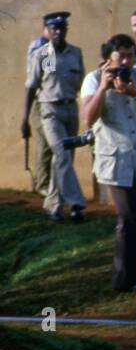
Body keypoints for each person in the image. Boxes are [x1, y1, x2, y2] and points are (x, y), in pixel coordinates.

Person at [80, 34, 136, 291]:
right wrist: (103, 89)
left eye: (130, 55)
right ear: (108, 59)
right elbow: (87, 117)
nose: (126, 62)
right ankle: (123, 279)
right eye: (121, 56)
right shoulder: (93, 80)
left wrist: (135, 94)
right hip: (115, 163)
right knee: (129, 219)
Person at [22, 11, 86, 222]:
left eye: (61, 28)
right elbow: (31, 87)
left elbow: (82, 85)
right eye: (53, 28)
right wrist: (24, 119)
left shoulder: (76, 53)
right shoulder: (41, 55)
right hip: (49, 111)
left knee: (63, 159)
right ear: (47, 31)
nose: (58, 32)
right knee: (62, 154)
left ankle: (52, 206)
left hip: (71, 109)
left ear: (66, 30)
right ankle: (76, 204)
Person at [24, 24, 52, 196]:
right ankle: (42, 185)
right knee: (44, 144)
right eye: (53, 28)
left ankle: (48, 184)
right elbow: (43, 77)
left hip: (52, 102)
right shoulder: (39, 47)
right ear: (45, 28)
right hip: (40, 101)